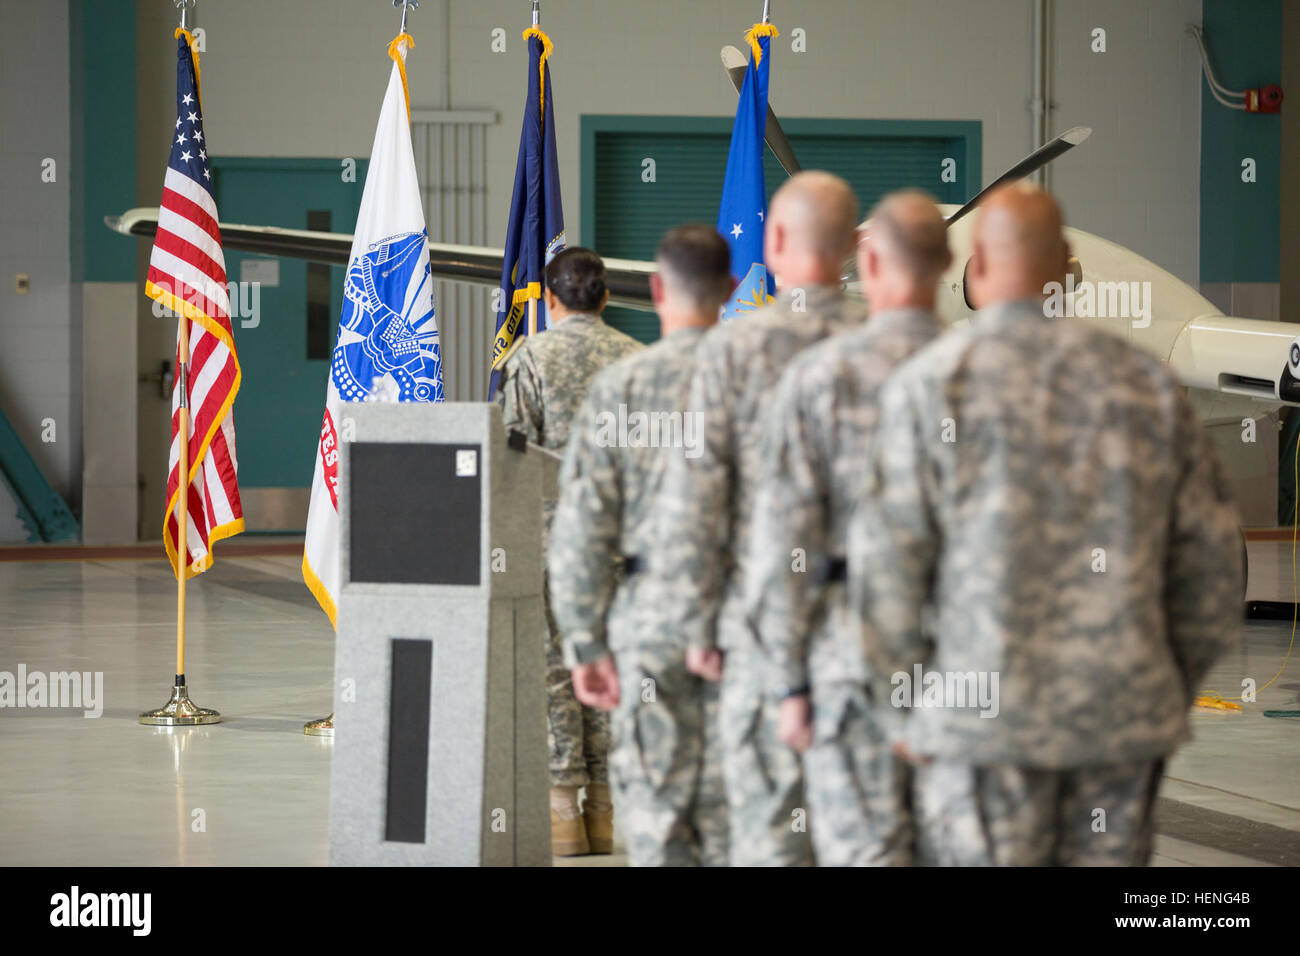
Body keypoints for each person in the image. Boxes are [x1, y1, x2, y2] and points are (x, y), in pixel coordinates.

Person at [848, 182, 1244, 866]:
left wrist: (900, 701)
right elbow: (1210, 566)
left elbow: (887, 568)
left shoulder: (924, 387)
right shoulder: (1144, 385)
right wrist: (1167, 685)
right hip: (1117, 720)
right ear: (1070, 266)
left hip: (977, 724)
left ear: (973, 270)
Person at [657, 171, 867, 866]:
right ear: (850, 248)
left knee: (770, 832)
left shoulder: (733, 348)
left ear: (772, 241)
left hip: (760, 630)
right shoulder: (904, 347)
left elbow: (695, 497)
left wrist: (697, 623)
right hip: (882, 638)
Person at [747, 190, 950, 865]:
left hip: (851, 663)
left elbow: (787, 541)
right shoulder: (1007, 373)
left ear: (868, 260)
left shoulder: (825, 375)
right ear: (950, 260)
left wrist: (789, 683)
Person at [549, 224, 734, 866]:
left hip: (649, 627)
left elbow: (582, 525)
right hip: (750, 632)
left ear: (655, 289)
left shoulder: (623, 387)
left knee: (657, 818)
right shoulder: (770, 382)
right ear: (734, 288)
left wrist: (585, 642)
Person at [496, 247, 643, 855]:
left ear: (550, 300)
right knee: (613, 666)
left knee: (557, 668)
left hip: (553, 542)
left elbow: (512, 452)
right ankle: (607, 811)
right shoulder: (638, 362)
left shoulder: (530, 357)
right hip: (624, 543)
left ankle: (563, 812)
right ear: (606, 297)